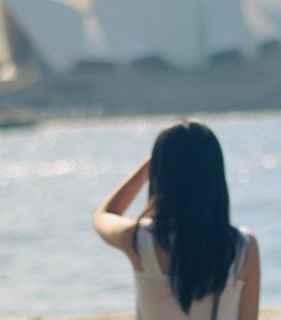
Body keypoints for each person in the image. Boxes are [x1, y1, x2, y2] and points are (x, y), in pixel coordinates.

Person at [93, 120, 260, 320]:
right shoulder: (243, 248)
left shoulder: (140, 241)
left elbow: (104, 216)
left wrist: (148, 167)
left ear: (160, 176)